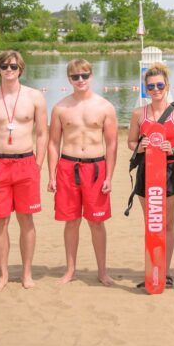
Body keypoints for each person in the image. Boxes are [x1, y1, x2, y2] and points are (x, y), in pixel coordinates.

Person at [0, 50, 48, 291]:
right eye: (4, 66)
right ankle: (3, 274)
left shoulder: (35, 97)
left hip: (26, 162)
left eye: (13, 66)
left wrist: (37, 165)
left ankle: (26, 273)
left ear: (21, 69)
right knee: (0, 222)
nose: (9, 70)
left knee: (26, 220)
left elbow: (42, 133)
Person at [47, 58, 118, 287]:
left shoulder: (105, 106)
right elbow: (52, 143)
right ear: (69, 79)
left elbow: (112, 143)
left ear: (91, 76)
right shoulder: (60, 107)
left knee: (96, 222)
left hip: (96, 168)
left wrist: (108, 176)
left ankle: (102, 271)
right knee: (71, 221)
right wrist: (51, 175)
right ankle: (70, 270)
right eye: (75, 76)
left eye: (84, 75)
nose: (80, 80)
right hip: (68, 167)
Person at [126, 62, 174, 288]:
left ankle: (166, 272)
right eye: (151, 86)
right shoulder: (138, 114)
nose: (155, 89)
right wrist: (139, 147)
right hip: (146, 170)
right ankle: (152, 269)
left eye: (159, 85)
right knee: (151, 223)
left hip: (171, 169)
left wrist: (172, 149)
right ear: (145, 89)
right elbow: (130, 142)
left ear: (167, 85)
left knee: (167, 224)